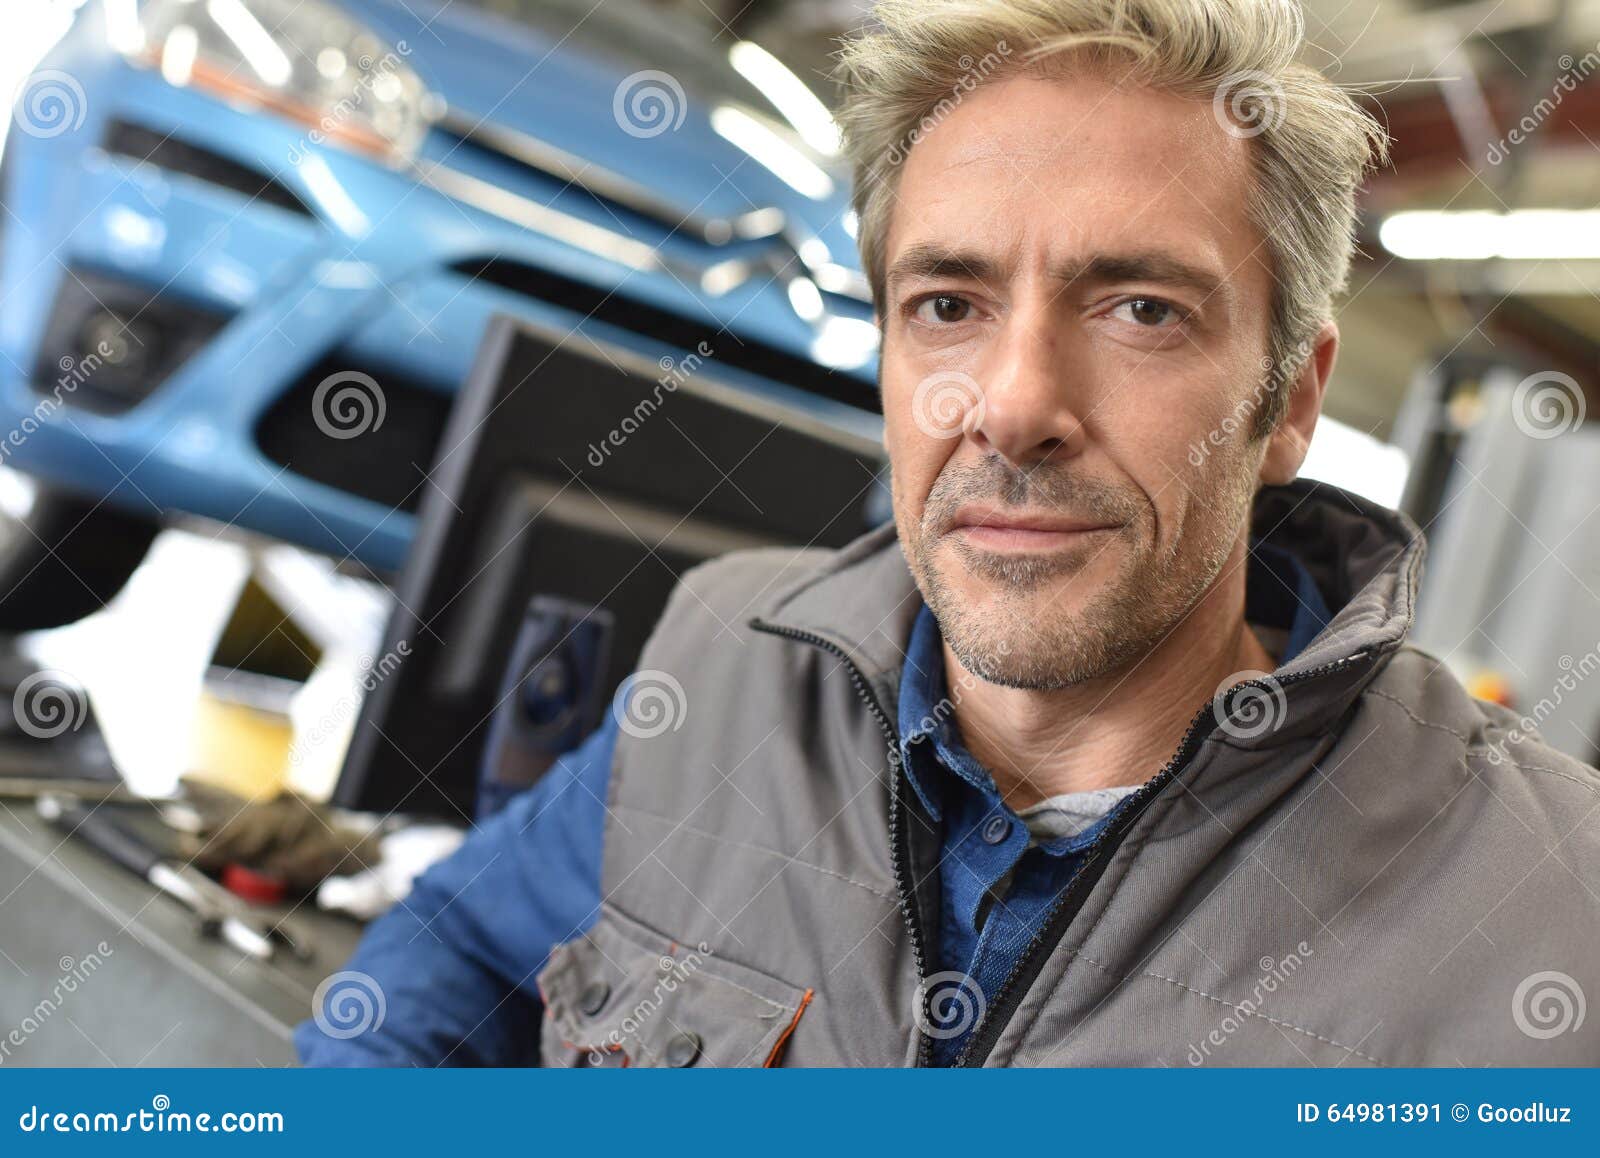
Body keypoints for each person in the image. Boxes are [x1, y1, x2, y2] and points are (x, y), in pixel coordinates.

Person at [300, 0, 1600, 1067]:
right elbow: (451, 956)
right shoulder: (729, 669)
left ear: (1289, 401)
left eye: (1141, 309)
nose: (1017, 404)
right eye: (946, 304)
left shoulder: (1546, 914)